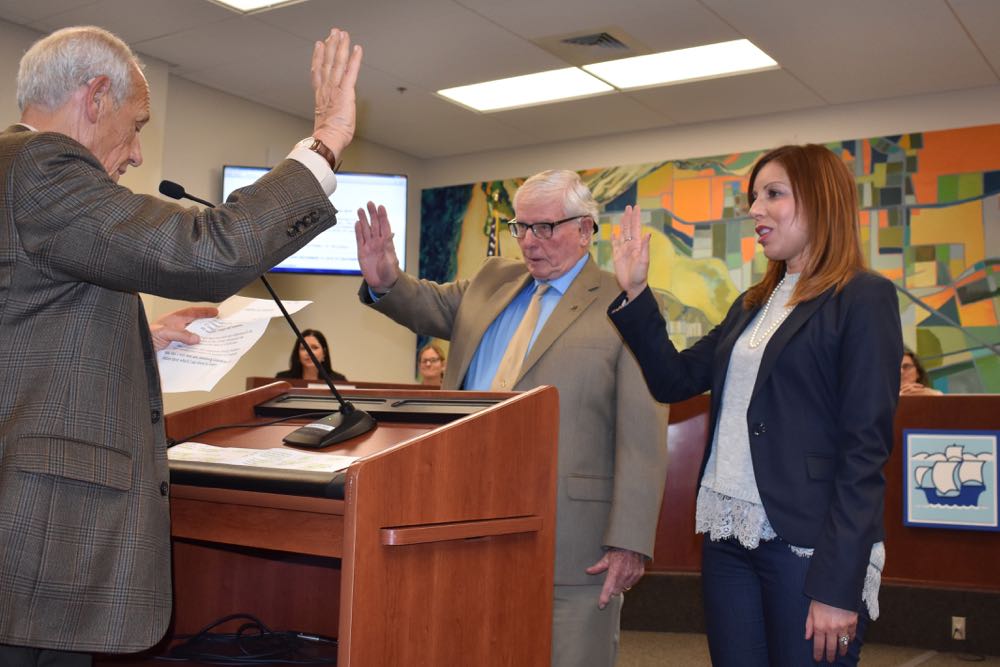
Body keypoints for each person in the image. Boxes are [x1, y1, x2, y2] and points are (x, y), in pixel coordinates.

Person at [0, 25, 362, 665]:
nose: (137, 152)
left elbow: (29, 326)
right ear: (96, 96)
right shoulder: (40, 165)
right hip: (38, 535)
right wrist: (324, 146)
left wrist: (142, 338)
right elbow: (207, 250)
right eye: (135, 124)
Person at [355, 170, 669, 667]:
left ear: (586, 229)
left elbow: (642, 437)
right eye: (520, 227)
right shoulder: (491, 282)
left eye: (545, 228)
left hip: (571, 540)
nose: (529, 241)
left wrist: (629, 541)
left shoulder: (624, 302)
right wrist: (386, 281)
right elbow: (429, 303)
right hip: (466, 520)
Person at [608, 144, 903, 666]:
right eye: (753, 197)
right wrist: (636, 294)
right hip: (728, 536)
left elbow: (865, 451)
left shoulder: (863, 297)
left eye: (773, 194)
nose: (755, 210)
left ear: (820, 200)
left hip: (807, 546)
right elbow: (674, 379)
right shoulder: (753, 303)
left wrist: (839, 585)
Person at [276, 329, 346, 382]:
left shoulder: (339, 380)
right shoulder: (282, 380)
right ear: (297, 353)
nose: (309, 352)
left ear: (324, 353)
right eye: (304, 348)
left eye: (314, 347)